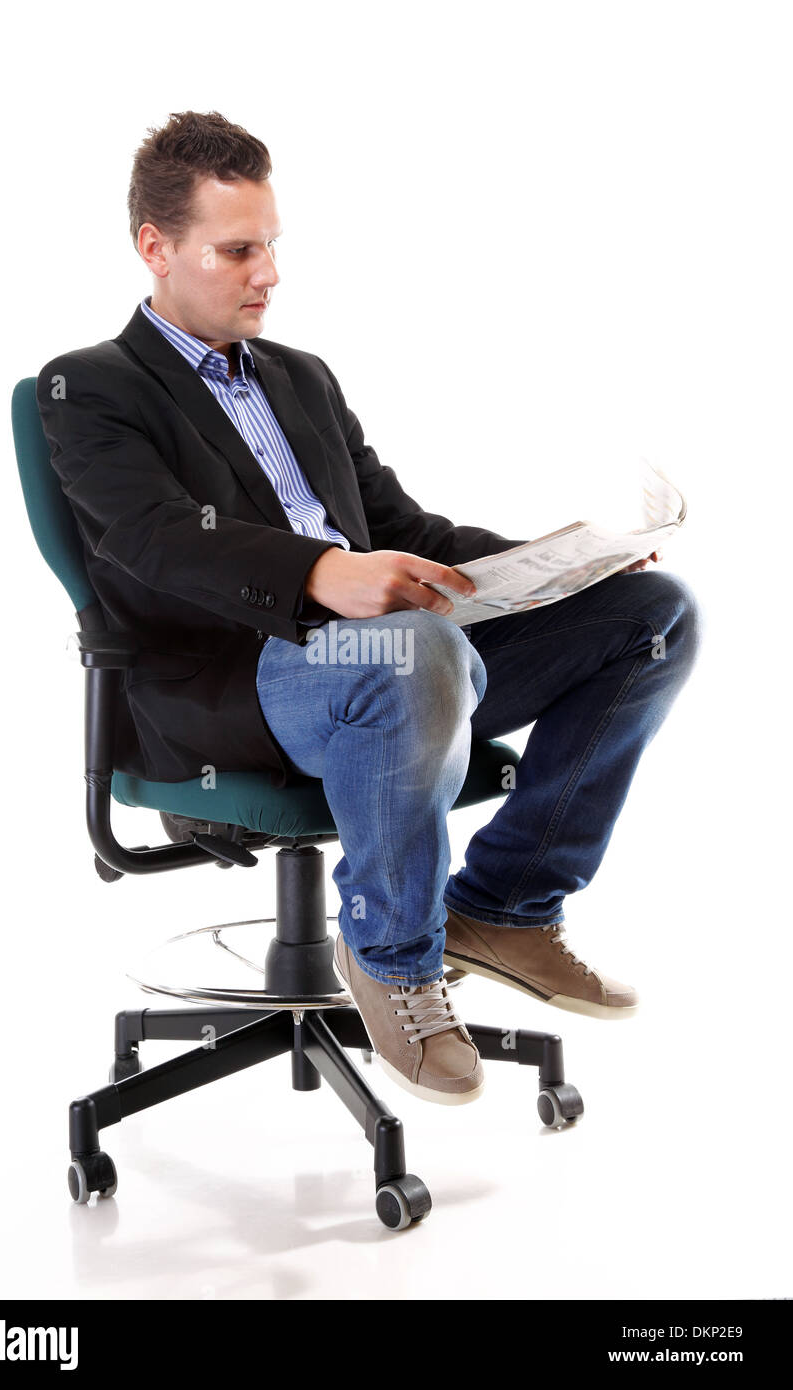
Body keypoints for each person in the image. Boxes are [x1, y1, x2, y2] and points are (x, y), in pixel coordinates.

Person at [37, 110, 702, 1109]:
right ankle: (394, 958)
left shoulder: (300, 379)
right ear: (155, 248)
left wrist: (564, 565)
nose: (266, 273)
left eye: (271, 245)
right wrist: (316, 574)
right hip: (238, 685)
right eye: (237, 249)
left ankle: (506, 908)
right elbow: (152, 538)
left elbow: (403, 528)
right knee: (411, 650)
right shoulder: (88, 388)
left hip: (401, 661)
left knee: (651, 613)